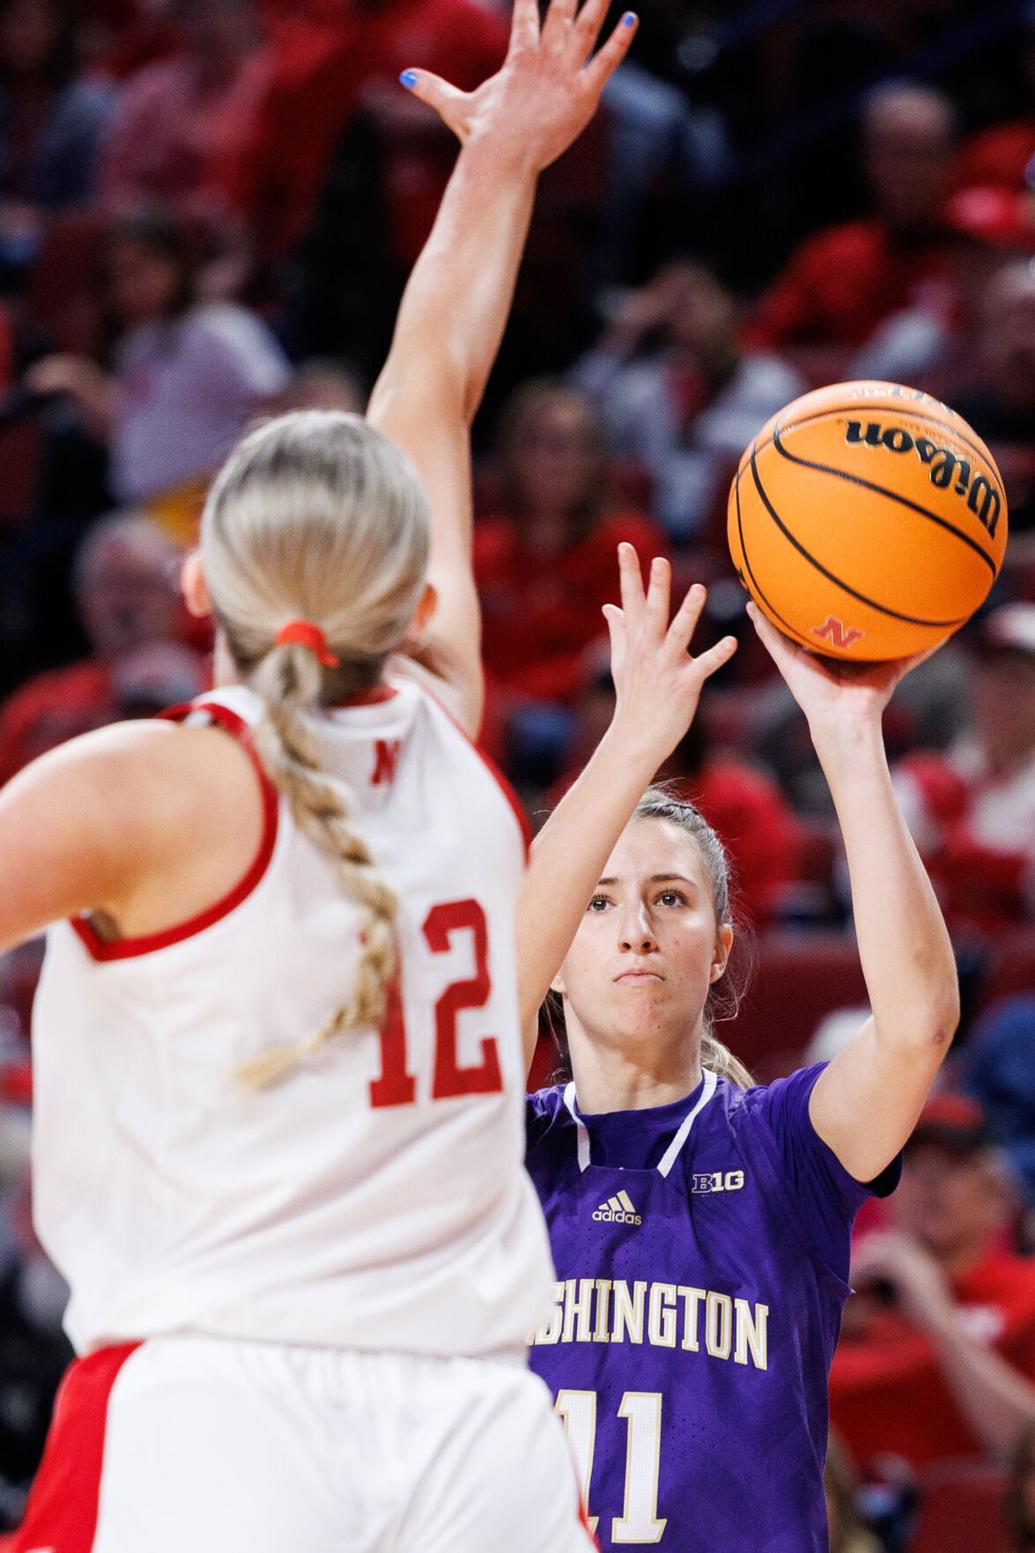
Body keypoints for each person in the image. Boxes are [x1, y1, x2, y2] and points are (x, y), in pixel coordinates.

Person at [2, 5, 641, 1549]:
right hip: (486, 1428)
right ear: (417, 597)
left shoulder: (144, 792)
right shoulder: (451, 717)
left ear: (193, 594)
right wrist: (496, 166)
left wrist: (488, 164)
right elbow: (433, 378)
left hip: (219, 1421)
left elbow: (421, 386)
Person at [513, 565, 960, 1551]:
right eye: (595, 899)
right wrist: (635, 736)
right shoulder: (488, 1142)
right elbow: (488, 992)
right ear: (552, 950)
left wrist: (848, 738)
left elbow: (918, 1023)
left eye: (670, 897)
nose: (634, 925)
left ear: (718, 944)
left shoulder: (781, 1147)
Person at [830, 1093, 1035, 1475]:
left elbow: (1027, 1446)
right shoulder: (851, 1301)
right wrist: (816, 1320)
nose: (930, 1185)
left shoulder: (1027, 1291)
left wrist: (936, 1313)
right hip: (843, 1521)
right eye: (914, 1167)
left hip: (975, 1521)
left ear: (994, 1193)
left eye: (953, 1167)